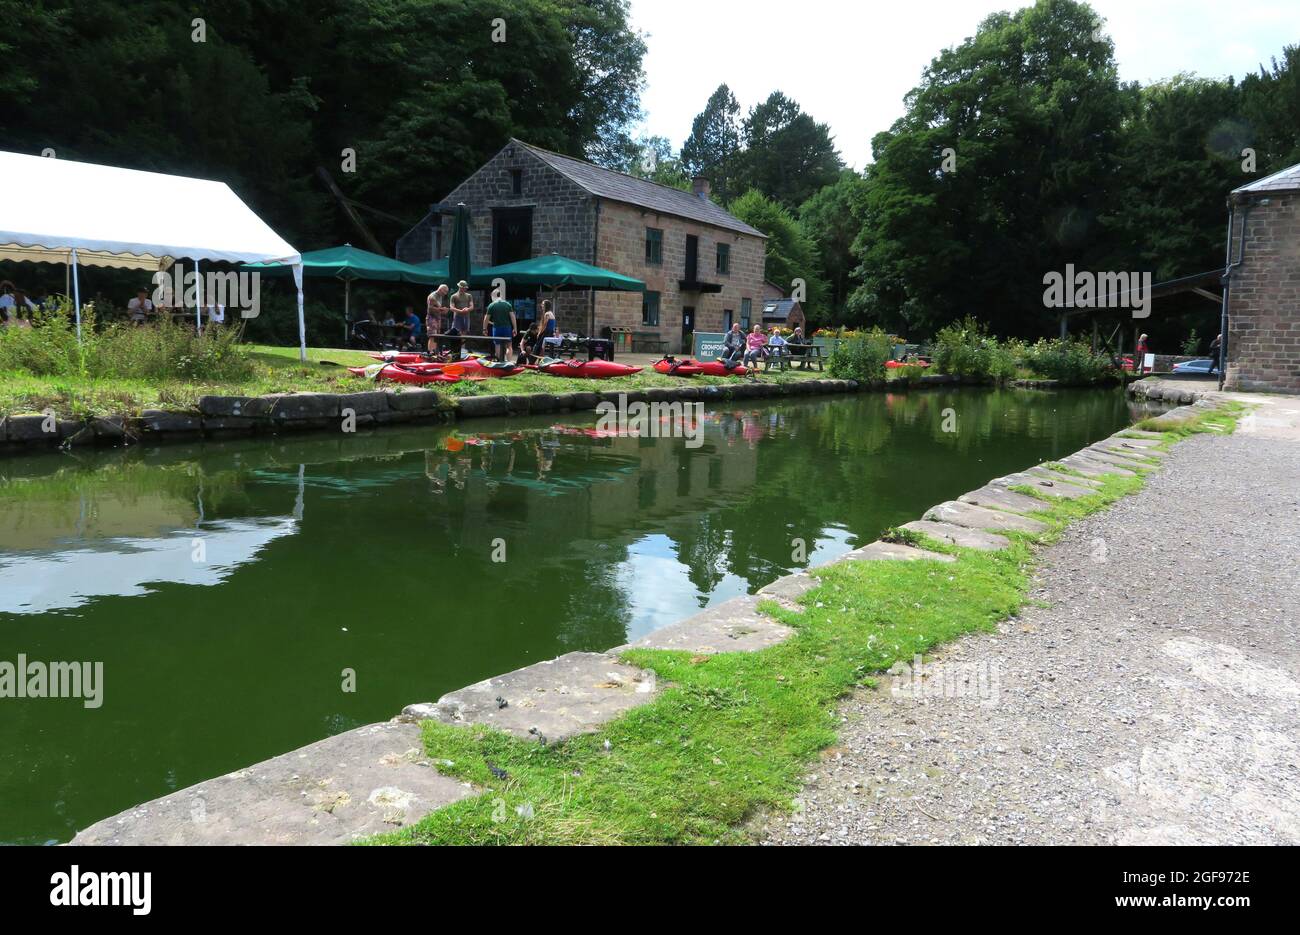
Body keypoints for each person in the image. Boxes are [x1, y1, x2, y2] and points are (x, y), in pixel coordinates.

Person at [484, 292, 516, 362]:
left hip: (496, 328)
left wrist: (484, 329)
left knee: (497, 346)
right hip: (507, 328)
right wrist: (515, 328)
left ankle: (498, 362)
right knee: (509, 346)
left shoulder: (491, 305)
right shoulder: (508, 305)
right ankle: (509, 362)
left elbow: (486, 318)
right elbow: (512, 317)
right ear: (501, 296)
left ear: (493, 296)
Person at [426, 284, 450, 353]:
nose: (445, 293)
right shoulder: (432, 296)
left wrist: (442, 310)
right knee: (432, 336)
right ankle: (430, 353)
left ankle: (434, 352)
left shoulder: (440, 296)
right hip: (431, 318)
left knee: (436, 337)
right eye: (445, 291)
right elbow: (430, 309)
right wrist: (441, 309)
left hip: (437, 318)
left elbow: (437, 308)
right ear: (440, 289)